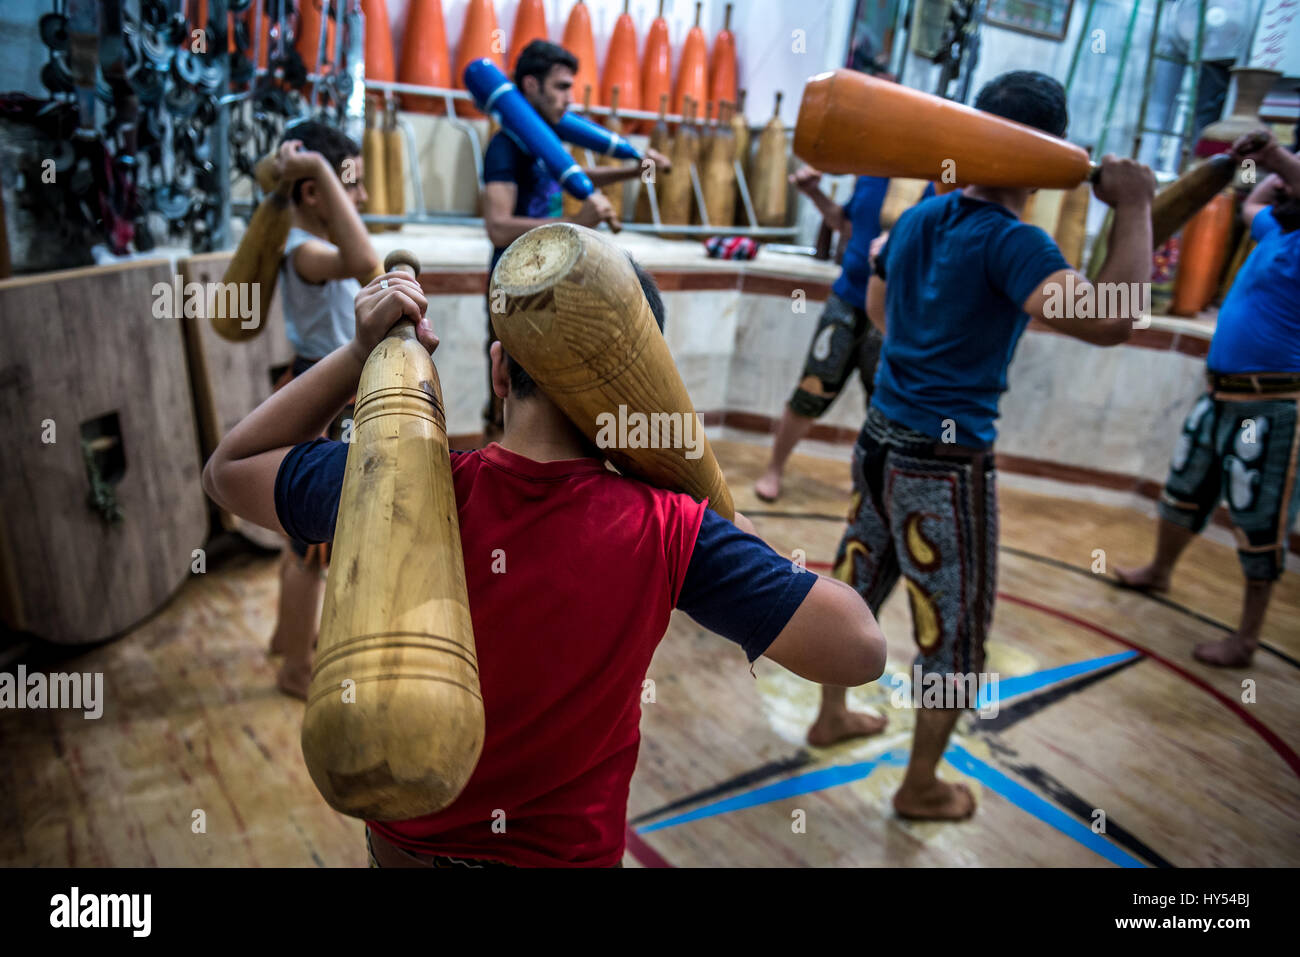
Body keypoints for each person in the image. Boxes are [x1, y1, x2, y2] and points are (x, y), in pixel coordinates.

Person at [202, 249, 887, 868]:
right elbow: (860, 647)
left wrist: (357, 354)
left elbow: (231, 468)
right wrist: (724, 513)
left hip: (404, 852)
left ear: (500, 369)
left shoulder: (400, 480)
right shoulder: (672, 529)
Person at [814, 71, 1155, 821]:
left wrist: (921, 353)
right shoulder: (1014, 241)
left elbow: (878, 307)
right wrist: (1135, 203)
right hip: (944, 464)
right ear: (1047, 153)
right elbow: (1113, 319)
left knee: (853, 578)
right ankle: (920, 786)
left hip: (880, 439)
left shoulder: (919, 218)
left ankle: (830, 714)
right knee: (955, 636)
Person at [1116, 130, 1300, 667]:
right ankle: (1159, 570)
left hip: (1272, 406)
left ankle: (1245, 638)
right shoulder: (1273, 231)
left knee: (1257, 516)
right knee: (1185, 486)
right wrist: (1259, 168)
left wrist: (1276, 157)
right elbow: (1256, 200)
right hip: (1220, 394)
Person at [478, 39, 672, 443]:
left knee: (547, 388)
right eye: (562, 87)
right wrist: (574, 222)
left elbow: (571, 175)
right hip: (513, 283)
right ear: (530, 86)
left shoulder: (544, 138)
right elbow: (497, 226)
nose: (570, 98)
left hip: (546, 272)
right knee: (508, 392)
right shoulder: (506, 145)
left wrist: (637, 169)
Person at [263, 123, 379, 700]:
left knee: (309, 538)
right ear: (315, 192)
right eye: (351, 183)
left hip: (332, 390)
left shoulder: (308, 245)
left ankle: (288, 636)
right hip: (321, 391)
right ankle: (294, 670)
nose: (360, 197)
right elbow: (365, 260)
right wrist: (325, 172)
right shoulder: (304, 251)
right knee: (310, 544)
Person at [754, 172, 934, 502]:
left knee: (883, 404)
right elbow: (847, 225)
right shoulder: (870, 173)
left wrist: (900, 247)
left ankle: (871, 487)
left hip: (896, 310)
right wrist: (814, 193)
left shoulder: (936, 184)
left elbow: (938, 249)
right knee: (811, 388)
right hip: (847, 299)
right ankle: (774, 469)